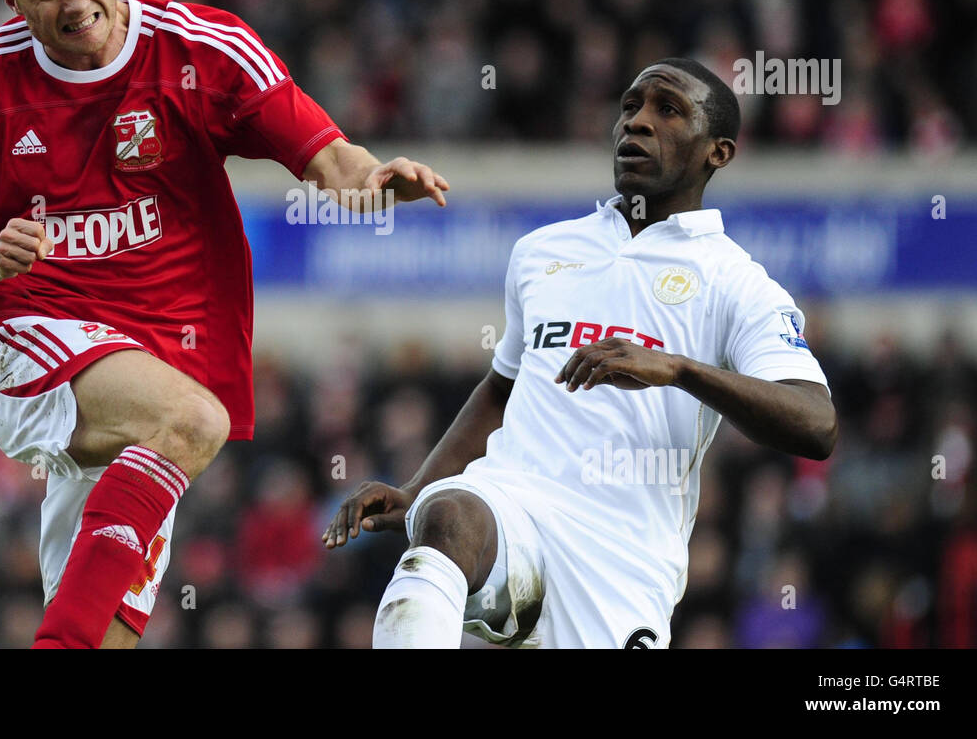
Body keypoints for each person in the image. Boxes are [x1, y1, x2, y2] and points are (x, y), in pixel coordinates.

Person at [0, 0, 449, 649]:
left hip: (157, 384)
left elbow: (325, 154)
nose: (75, 2)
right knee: (196, 421)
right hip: (29, 347)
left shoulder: (205, 49)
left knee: (113, 631)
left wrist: (370, 179)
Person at [323, 58, 837, 648]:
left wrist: (679, 370)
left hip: (617, 562)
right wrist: (417, 489)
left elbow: (817, 423)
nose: (636, 124)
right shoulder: (543, 252)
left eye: (666, 110)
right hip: (514, 504)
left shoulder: (736, 282)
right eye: (629, 107)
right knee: (448, 518)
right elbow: (502, 386)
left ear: (718, 152)